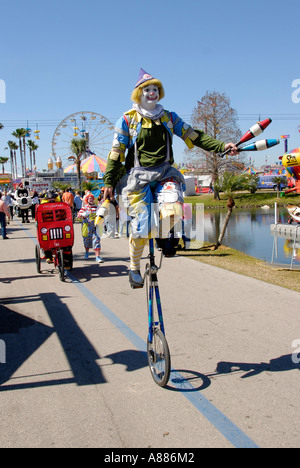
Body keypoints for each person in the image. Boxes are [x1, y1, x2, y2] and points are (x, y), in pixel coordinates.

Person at [103, 68, 238, 288]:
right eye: (147, 89)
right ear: (139, 92)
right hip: (137, 177)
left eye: (155, 89)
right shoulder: (127, 120)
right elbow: (116, 153)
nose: (152, 93)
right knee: (141, 229)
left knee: (173, 211)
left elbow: (195, 136)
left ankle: (163, 239)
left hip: (166, 172)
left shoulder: (168, 117)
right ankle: (134, 267)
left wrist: (222, 146)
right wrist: (109, 181)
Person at [77, 193, 104, 263]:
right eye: (89, 198)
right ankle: (86, 253)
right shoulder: (85, 207)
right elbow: (78, 214)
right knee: (87, 240)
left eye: (92, 198)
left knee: (97, 240)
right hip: (87, 227)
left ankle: (97, 257)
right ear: (87, 200)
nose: (91, 199)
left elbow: (101, 215)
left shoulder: (97, 207)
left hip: (96, 227)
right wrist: (82, 214)